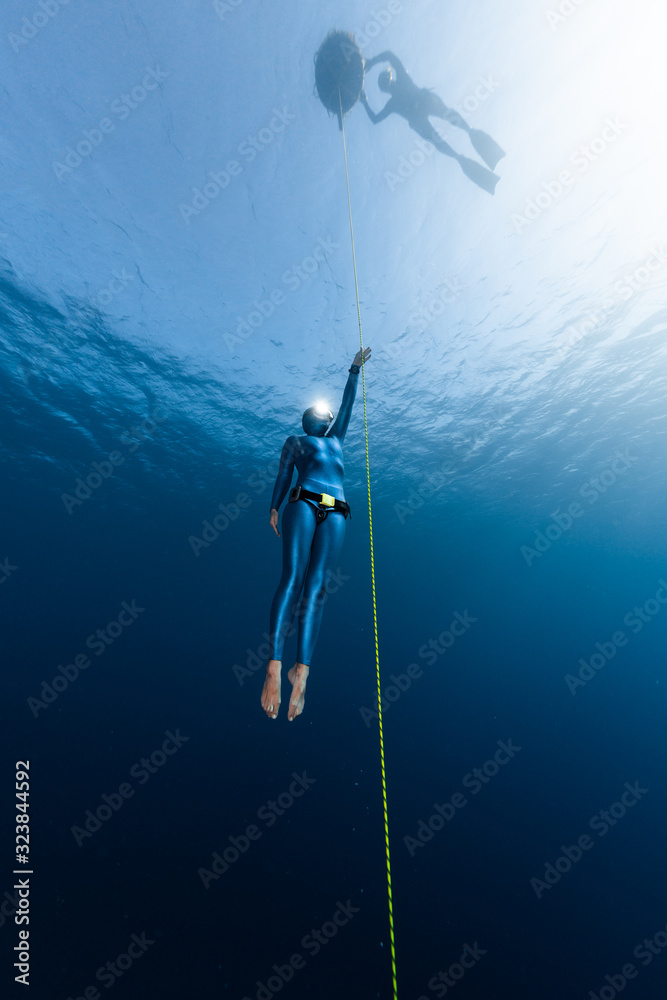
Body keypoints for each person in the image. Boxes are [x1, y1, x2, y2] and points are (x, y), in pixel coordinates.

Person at [261, 347, 371, 722]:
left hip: (338, 511)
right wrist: (274, 507)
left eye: (325, 415)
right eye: (317, 413)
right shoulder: (295, 441)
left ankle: (301, 671)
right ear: (306, 420)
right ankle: (274, 667)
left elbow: (347, 406)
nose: (324, 416)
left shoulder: (336, 439)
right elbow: (282, 476)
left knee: (318, 587)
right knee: (292, 578)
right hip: (303, 502)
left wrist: (353, 370)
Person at [360, 50, 505, 195]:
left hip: (419, 115)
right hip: (425, 103)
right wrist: (372, 62)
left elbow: (375, 119)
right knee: (449, 118)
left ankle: (461, 153)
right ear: (390, 78)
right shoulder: (401, 82)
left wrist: (364, 101)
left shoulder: (393, 103)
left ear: (385, 89)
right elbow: (390, 55)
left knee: (441, 140)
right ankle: (469, 135)